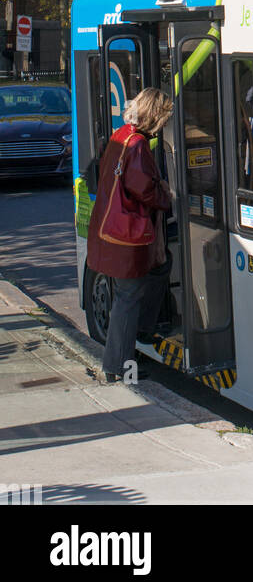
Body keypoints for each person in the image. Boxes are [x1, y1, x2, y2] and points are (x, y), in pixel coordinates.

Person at [86, 89, 173, 384]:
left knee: (154, 273)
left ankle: (134, 340)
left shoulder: (122, 134)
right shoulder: (138, 145)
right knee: (128, 298)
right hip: (127, 238)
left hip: (109, 233)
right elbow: (144, 189)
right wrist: (166, 194)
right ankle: (119, 367)